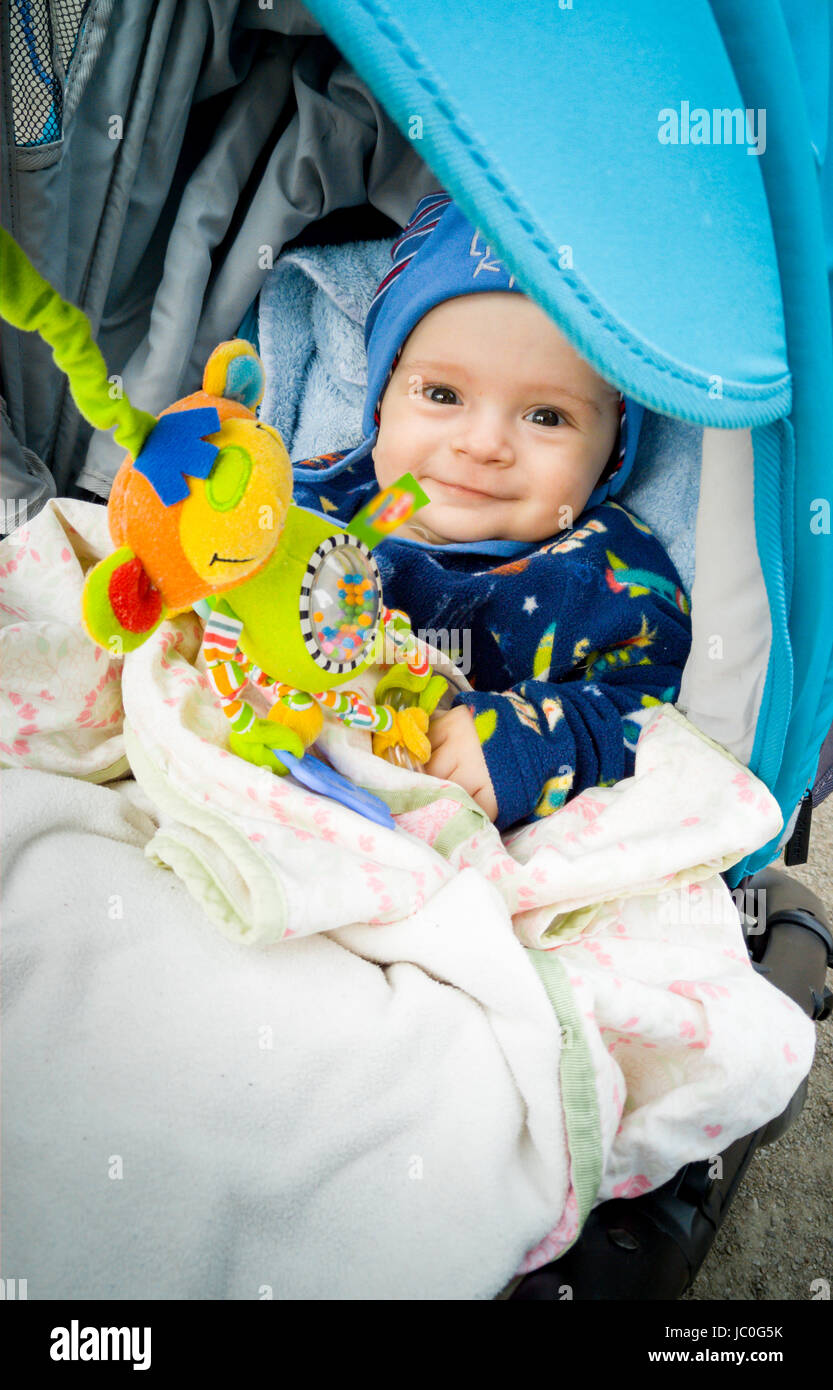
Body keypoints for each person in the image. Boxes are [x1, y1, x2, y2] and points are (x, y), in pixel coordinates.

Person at [292, 192, 692, 830]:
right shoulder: (327, 502)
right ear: (381, 401)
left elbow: (660, 727)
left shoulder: (606, 567)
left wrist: (528, 748)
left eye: (546, 416)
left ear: (612, 450)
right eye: (443, 394)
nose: (480, 446)